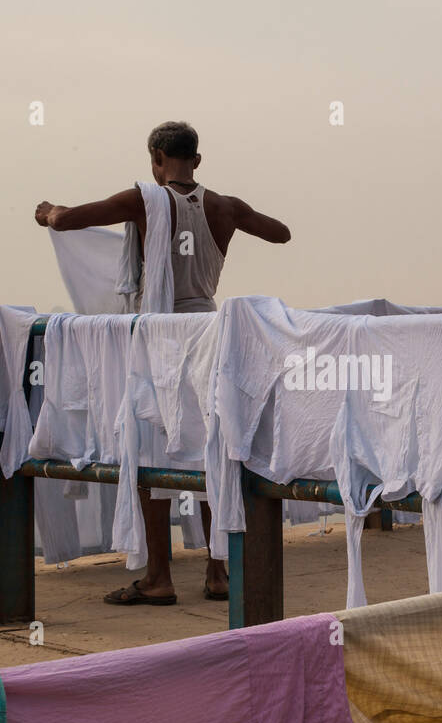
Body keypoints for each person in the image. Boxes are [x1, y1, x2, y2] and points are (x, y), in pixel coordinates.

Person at [34, 120, 291, 605]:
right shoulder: (224, 207)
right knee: (210, 451)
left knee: (151, 453)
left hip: (158, 337)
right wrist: (233, 219)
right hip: (208, 334)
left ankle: (159, 578)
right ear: (197, 159)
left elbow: (70, 219)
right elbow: (281, 234)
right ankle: (218, 572)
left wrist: (49, 212)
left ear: (155, 160)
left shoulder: (143, 200)